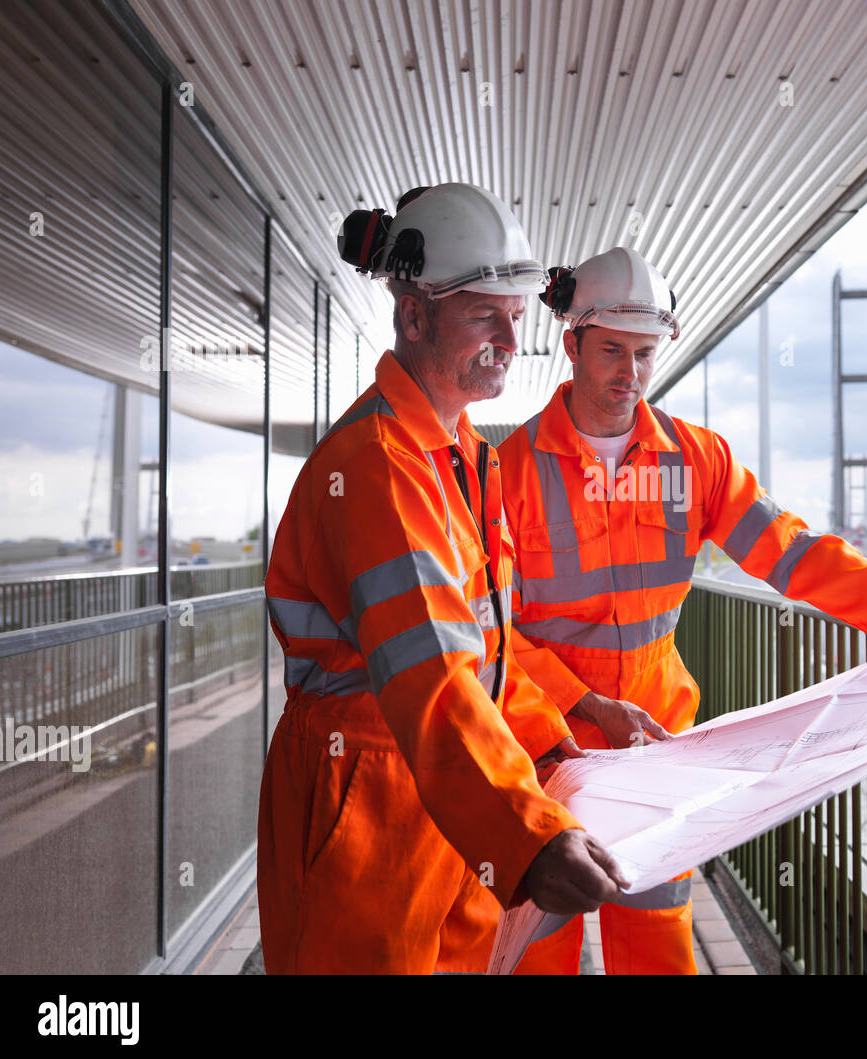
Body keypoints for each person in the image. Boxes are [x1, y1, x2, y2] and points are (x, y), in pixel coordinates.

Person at [493, 246, 867, 973]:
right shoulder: (507, 474)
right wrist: (586, 701)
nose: (630, 373)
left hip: (654, 756)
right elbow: (490, 636)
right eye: (612, 350)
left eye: (645, 354)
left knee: (658, 948)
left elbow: (792, 552)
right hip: (544, 755)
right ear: (572, 343)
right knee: (536, 952)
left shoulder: (695, 461)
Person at [257, 184, 629, 974]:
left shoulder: (464, 456)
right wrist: (529, 832)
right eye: (481, 312)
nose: (508, 336)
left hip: (453, 796)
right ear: (414, 312)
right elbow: (429, 673)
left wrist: (554, 741)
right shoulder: (376, 467)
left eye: (517, 314)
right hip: (366, 804)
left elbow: (484, 647)